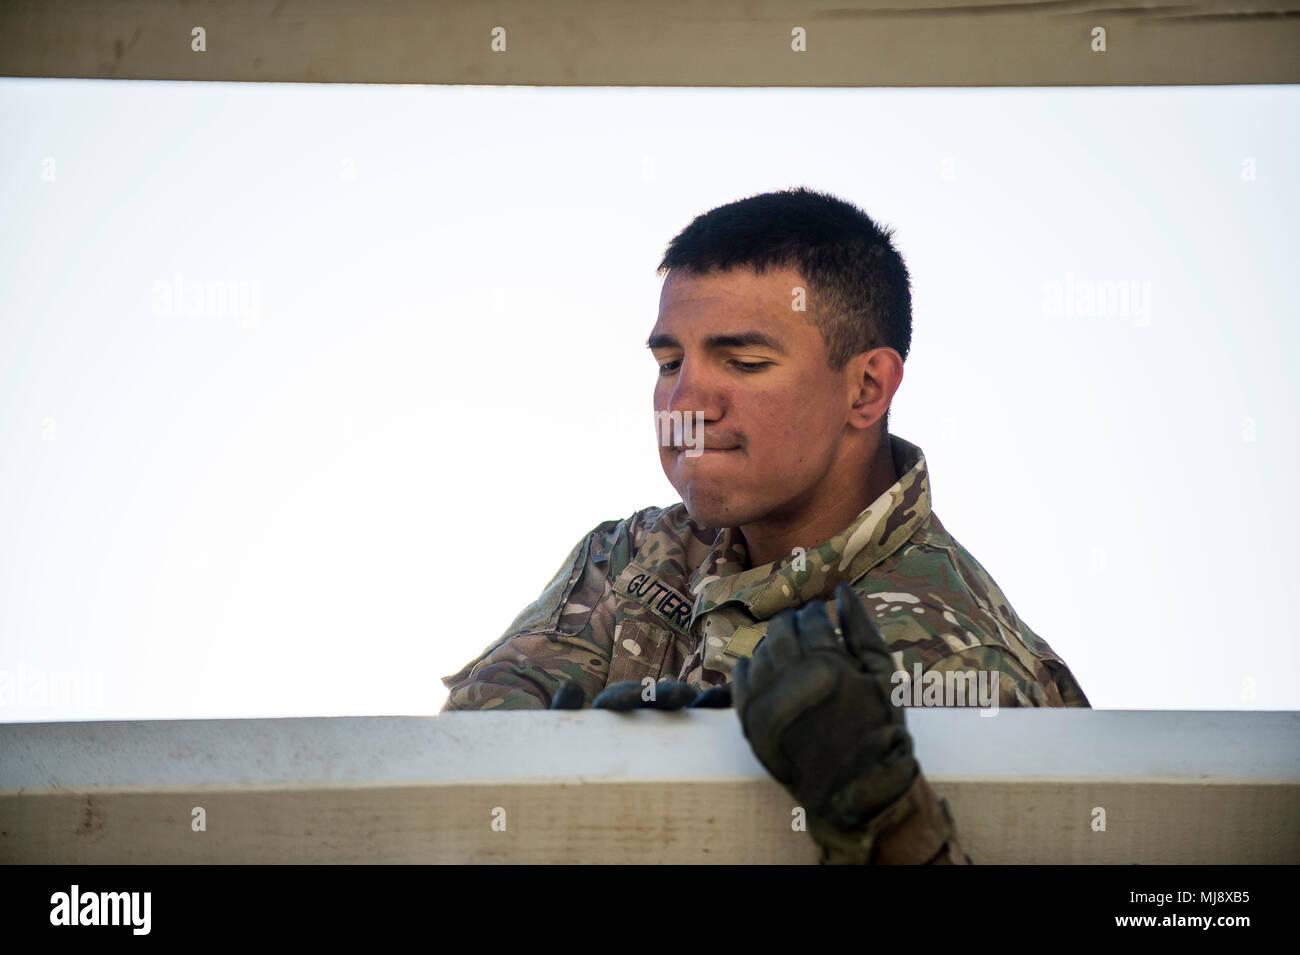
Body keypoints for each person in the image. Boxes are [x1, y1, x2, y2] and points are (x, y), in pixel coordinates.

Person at [440, 187, 1090, 864]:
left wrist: (891, 825)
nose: (684, 403)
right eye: (668, 363)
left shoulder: (959, 666)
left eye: (744, 363)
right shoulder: (634, 556)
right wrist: (598, 776)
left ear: (866, 389)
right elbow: (457, 767)